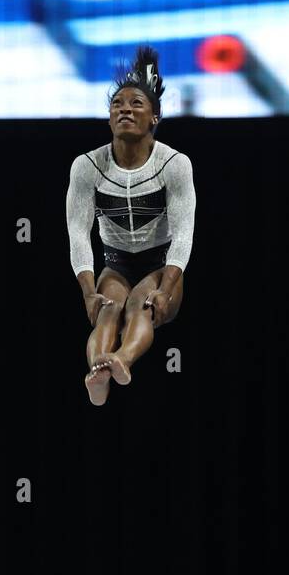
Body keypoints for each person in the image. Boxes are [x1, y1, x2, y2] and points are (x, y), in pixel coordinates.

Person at [66, 44, 196, 406]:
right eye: (117, 105)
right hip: (117, 260)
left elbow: (184, 234)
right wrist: (88, 291)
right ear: (108, 119)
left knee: (141, 304)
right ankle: (98, 372)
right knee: (108, 308)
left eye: (136, 104)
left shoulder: (174, 163)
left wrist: (167, 288)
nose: (125, 109)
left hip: (161, 263)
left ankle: (122, 360)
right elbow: (78, 233)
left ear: (155, 117)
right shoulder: (87, 166)